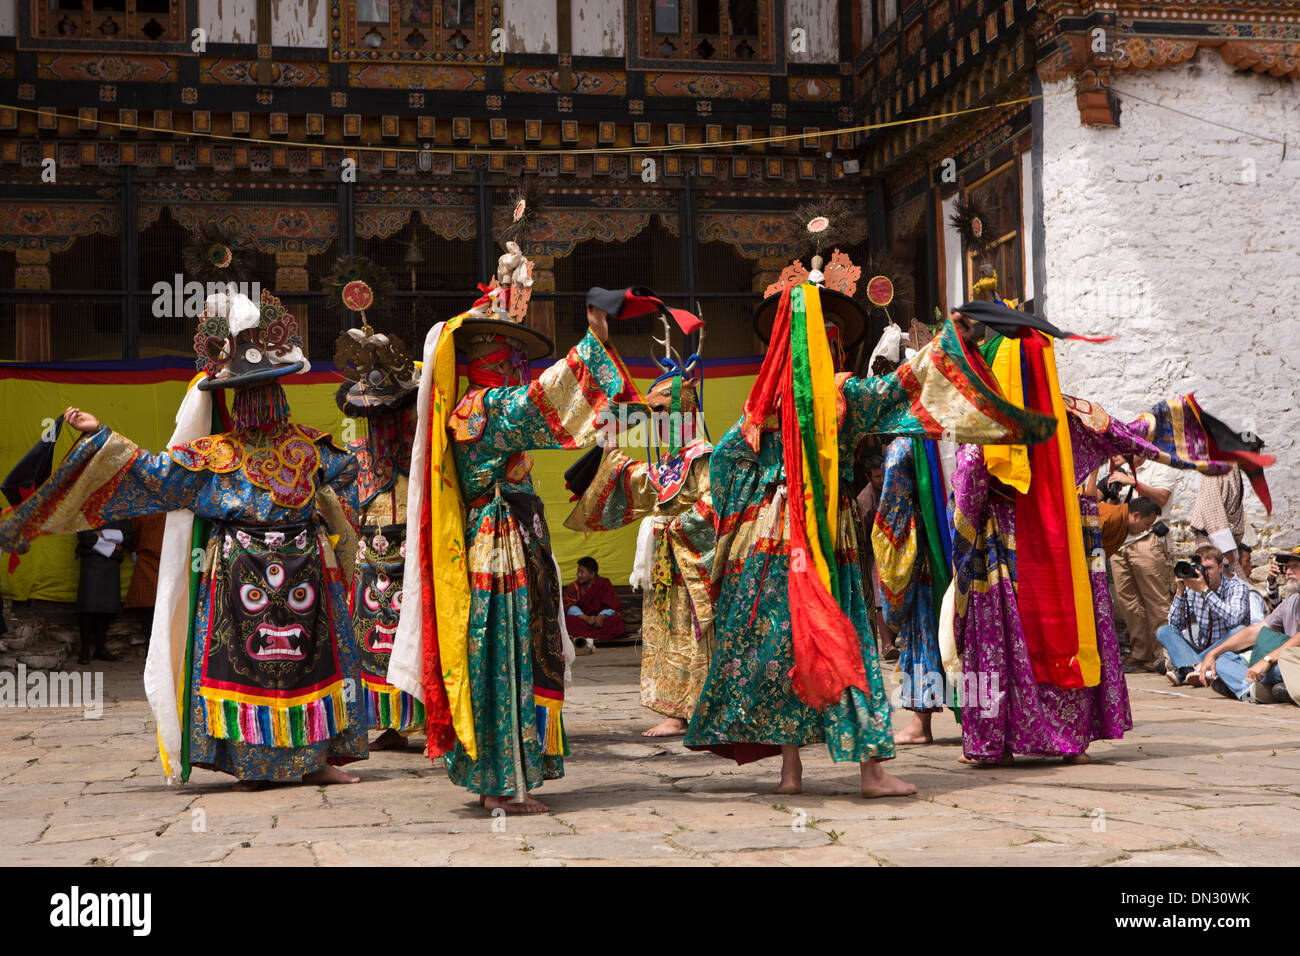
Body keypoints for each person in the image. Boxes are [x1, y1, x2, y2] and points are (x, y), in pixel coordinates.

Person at [684, 247, 1056, 798]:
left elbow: (726, 465)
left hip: (770, 541)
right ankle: (870, 772)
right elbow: (906, 384)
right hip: (824, 536)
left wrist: (770, 490)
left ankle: (792, 774)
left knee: (791, 646)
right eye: (826, 337)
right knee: (844, 639)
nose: (830, 346)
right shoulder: (838, 397)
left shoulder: (760, 408)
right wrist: (955, 338)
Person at [0, 289, 367, 789]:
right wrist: (98, 435)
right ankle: (253, 763)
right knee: (250, 665)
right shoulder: (214, 454)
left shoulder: (310, 446)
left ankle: (315, 759)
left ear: (280, 391)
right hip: (242, 575)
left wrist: (337, 523)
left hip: (302, 567)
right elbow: (151, 473)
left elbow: (352, 480)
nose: (262, 400)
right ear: (234, 397)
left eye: (269, 389)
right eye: (251, 391)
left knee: (308, 661)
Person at [387, 259, 641, 815]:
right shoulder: (478, 409)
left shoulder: (474, 408)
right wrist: (594, 340)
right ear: (485, 358)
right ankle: (502, 782)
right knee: (503, 656)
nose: (515, 364)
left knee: (507, 655)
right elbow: (540, 405)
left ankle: (500, 776)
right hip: (496, 552)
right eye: (506, 353)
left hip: (507, 540)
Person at [946, 301, 1232, 766]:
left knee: (999, 639)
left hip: (1004, 549)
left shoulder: (986, 427)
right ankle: (1070, 742)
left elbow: (969, 485)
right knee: (1069, 630)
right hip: (1065, 549)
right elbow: (1132, 434)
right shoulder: (1076, 414)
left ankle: (991, 741)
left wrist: (962, 540)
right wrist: (1182, 423)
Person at [564, 317, 715, 738]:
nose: (660, 420)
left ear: (685, 409)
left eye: (665, 411)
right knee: (664, 631)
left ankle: (695, 708)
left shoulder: (704, 456)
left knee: (690, 634)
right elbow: (644, 485)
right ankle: (674, 709)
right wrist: (612, 458)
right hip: (667, 563)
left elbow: (711, 508)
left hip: (689, 562)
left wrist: (672, 529)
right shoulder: (671, 461)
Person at [331, 275, 426, 752]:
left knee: (408, 627)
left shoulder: (421, 464)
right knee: (373, 632)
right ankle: (387, 720)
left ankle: (421, 716)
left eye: (389, 415)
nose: (379, 424)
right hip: (373, 544)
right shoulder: (361, 462)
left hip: (409, 539)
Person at [872, 436, 951, 745]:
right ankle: (979, 716)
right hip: (955, 541)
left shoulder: (901, 448)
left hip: (921, 558)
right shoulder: (948, 439)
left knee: (921, 632)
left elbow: (891, 511)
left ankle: (921, 722)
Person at [1107, 453, 1181, 673]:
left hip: (1147, 539)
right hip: (1120, 540)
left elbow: (1161, 498)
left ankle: (1166, 655)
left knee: (1156, 600)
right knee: (1126, 602)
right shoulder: (1121, 469)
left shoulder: (1160, 469)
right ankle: (1141, 654)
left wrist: (1134, 483)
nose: (1123, 454)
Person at [1199, 550, 1300, 703]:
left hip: (1291, 663)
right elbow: (1256, 631)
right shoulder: (1292, 600)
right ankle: (1253, 691)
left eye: (1296, 566)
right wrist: (1214, 653)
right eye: (1287, 567)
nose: (1289, 572)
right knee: (1224, 660)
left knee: (1281, 667)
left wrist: (1265, 661)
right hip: (1280, 662)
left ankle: (1246, 686)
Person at [1158, 545, 1251, 687]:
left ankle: (1186, 668)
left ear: (1220, 567)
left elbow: (1235, 619)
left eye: (1208, 568)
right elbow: (1174, 626)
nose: (1204, 573)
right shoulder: (1193, 587)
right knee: (1164, 631)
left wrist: (1206, 592)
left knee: (1240, 630)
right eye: (1200, 568)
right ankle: (1196, 668)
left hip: (1227, 649)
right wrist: (1180, 591)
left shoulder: (1237, 586)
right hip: (1203, 649)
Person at [74, 519, 134, 665]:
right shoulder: (88, 508)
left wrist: (102, 533)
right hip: (91, 561)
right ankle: (84, 651)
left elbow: (128, 536)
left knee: (106, 607)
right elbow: (85, 536)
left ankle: (100, 648)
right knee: (88, 606)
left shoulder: (121, 511)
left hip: (111, 564)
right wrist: (113, 546)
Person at [1190, 464, 1245, 566]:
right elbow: (1210, 508)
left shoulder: (1233, 469)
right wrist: (1226, 546)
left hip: (1227, 543)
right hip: (1213, 544)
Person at [563, 556, 628, 643]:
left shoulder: (604, 584)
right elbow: (569, 606)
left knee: (616, 620)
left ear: (592, 574)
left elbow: (612, 605)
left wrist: (601, 617)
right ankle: (598, 636)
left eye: (581, 572)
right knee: (570, 621)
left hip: (601, 621)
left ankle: (588, 636)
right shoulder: (574, 586)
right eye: (578, 571)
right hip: (583, 620)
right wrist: (586, 618)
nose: (578, 575)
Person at [1235, 542, 1273, 623]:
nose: (1251, 564)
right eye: (1247, 561)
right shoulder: (1249, 593)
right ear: (1237, 564)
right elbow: (1256, 624)